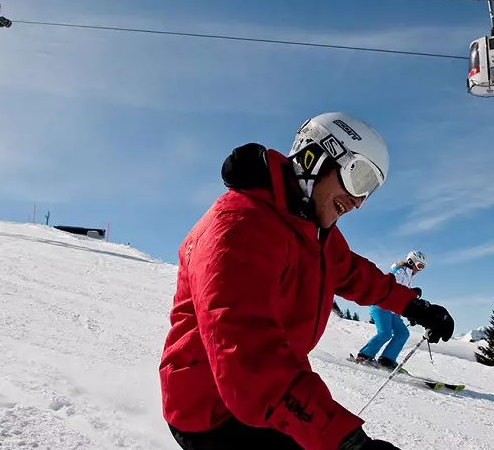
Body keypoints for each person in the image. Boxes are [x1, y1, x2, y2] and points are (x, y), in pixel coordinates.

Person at [159, 112, 455, 450]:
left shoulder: (312, 229)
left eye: (369, 190)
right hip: (213, 409)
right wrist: (345, 442)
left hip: (268, 394)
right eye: (359, 179)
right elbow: (249, 357)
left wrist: (414, 305)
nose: (358, 203)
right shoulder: (237, 229)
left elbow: (356, 274)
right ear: (313, 158)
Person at [355, 251, 429, 371]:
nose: (419, 270)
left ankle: (386, 360)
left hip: (391, 309)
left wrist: (410, 312)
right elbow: (392, 291)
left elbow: (401, 298)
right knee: (385, 333)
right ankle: (364, 356)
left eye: (422, 268)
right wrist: (411, 294)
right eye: (419, 266)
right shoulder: (399, 272)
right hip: (380, 305)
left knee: (403, 333)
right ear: (411, 262)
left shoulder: (409, 275)